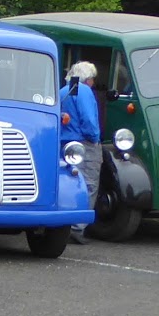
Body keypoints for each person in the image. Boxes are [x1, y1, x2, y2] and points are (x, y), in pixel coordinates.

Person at [60, 61, 101, 244]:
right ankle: (78, 227)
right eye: (92, 79)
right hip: (84, 144)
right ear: (87, 78)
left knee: (70, 182)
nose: (93, 83)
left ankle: (65, 224)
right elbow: (89, 120)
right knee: (89, 184)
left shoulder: (63, 91)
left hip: (65, 143)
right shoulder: (83, 91)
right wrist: (95, 138)